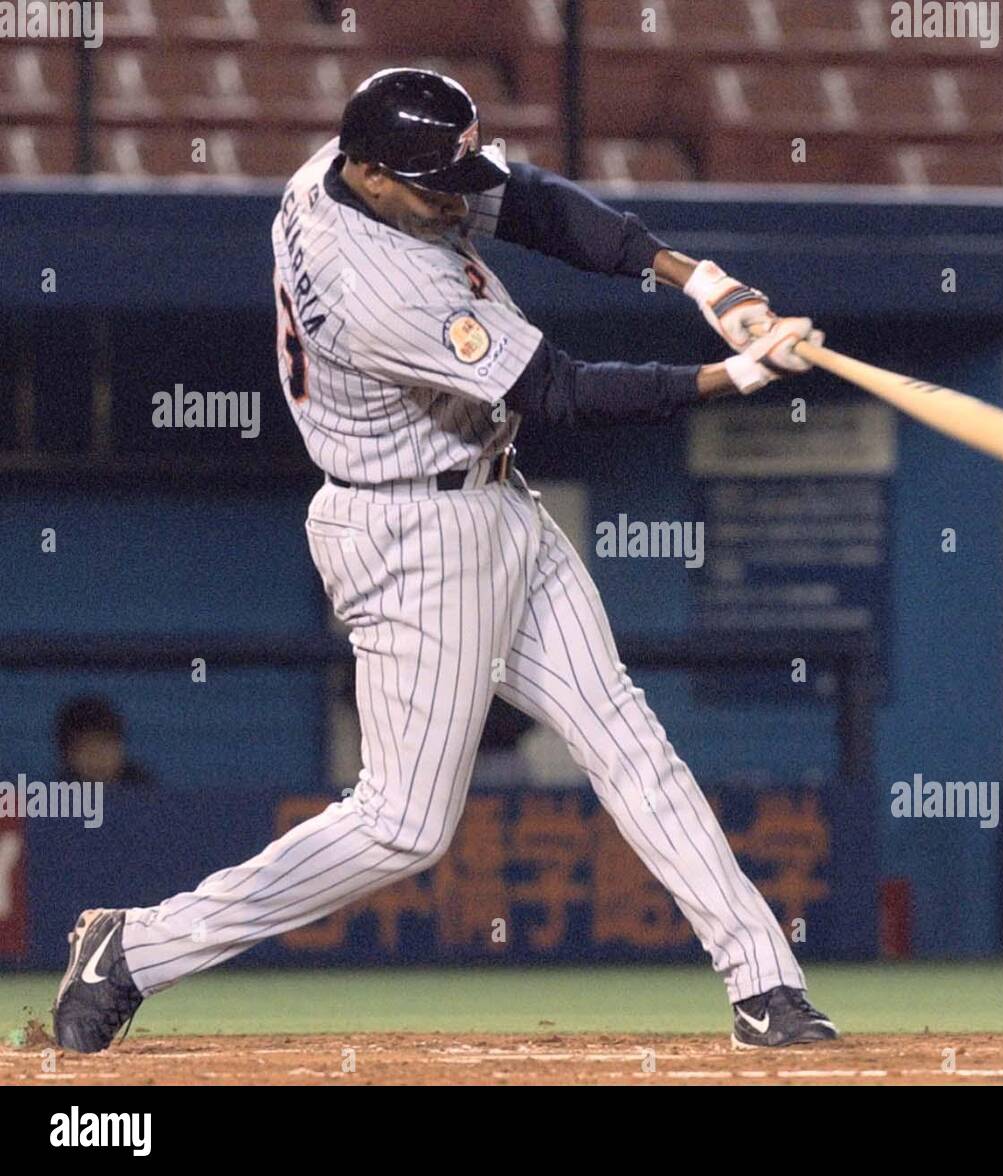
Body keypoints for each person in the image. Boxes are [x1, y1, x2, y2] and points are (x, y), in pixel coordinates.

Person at [52, 69, 836, 1053]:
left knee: (629, 742)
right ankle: (135, 950)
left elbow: (537, 206)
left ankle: (765, 986)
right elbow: (559, 392)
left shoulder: (354, 167)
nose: (456, 202)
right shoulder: (377, 279)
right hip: (410, 536)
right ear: (372, 175)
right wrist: (735, 373)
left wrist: (698, 279)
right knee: (403, 827)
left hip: (490, 496)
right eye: (435, 189)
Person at [54, 695, 154, 790]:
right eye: (87, 747)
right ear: (68, 755)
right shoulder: (58, 799)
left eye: (105, 745)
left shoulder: (147, 794)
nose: (98, 756)